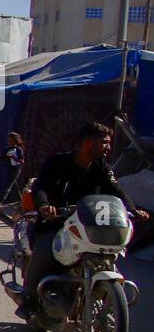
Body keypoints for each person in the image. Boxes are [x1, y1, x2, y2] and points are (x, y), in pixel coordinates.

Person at [21, 122, 149, 317]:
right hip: (55, 223)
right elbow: (41, 187)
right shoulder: (57, 163)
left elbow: (116, 191)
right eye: (104, 142)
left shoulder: (102, 167)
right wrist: (45, 206)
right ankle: (28, 298)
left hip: (87, 225)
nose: (108, 147)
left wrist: (133, 210)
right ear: (88, 143)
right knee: (44, 250)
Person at [0, 131, 25, 206]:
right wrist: (0, 157)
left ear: (15, 141)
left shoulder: (18, 150)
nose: (9, 142)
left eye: (11, 140)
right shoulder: (7, 149)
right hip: (9, 169)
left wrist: (13, 157)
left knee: (8, 185)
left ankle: (0, 202)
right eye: (9, 140)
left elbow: (22, 161)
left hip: (16, 169)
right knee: (14, 186)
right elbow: (1, 157)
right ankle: (22, 201)